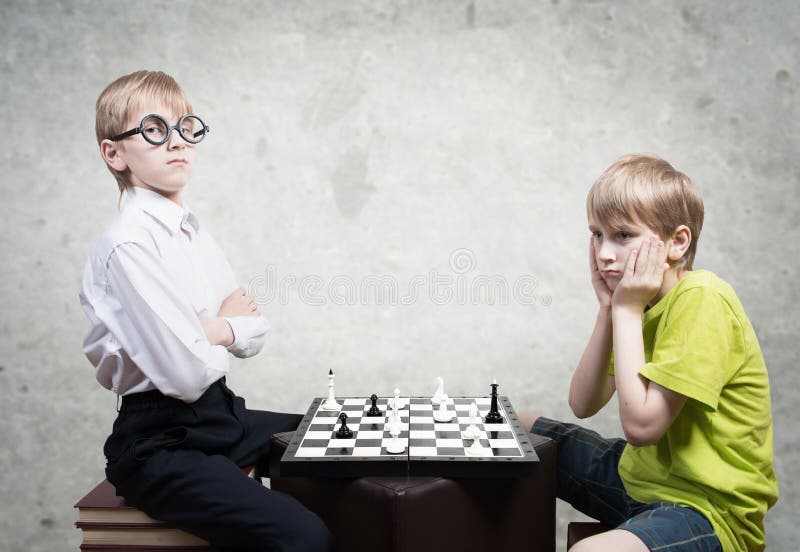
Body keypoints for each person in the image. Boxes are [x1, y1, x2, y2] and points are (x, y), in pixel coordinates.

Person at [79, 70, 333, 551]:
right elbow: (184, 373)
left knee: (347, 439)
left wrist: (207, 329)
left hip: (221, 416)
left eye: (186, 126)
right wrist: (220, 328)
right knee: (304, 538)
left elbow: (255, 331)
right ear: (115, 153)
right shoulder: (129, 245)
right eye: (154, 130)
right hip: (160, 440)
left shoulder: (190, 231)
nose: (177, 142)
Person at [525, 154, 778, 551]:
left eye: (622, 235)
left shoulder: (703, 299)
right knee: (514, 429)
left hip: (705, 507)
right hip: (641, 480)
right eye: (597, 234)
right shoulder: (638, 302)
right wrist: (608, 310)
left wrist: (625, 310)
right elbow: (583, 402)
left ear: (677, 242)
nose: (605, 252)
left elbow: (643, 428)